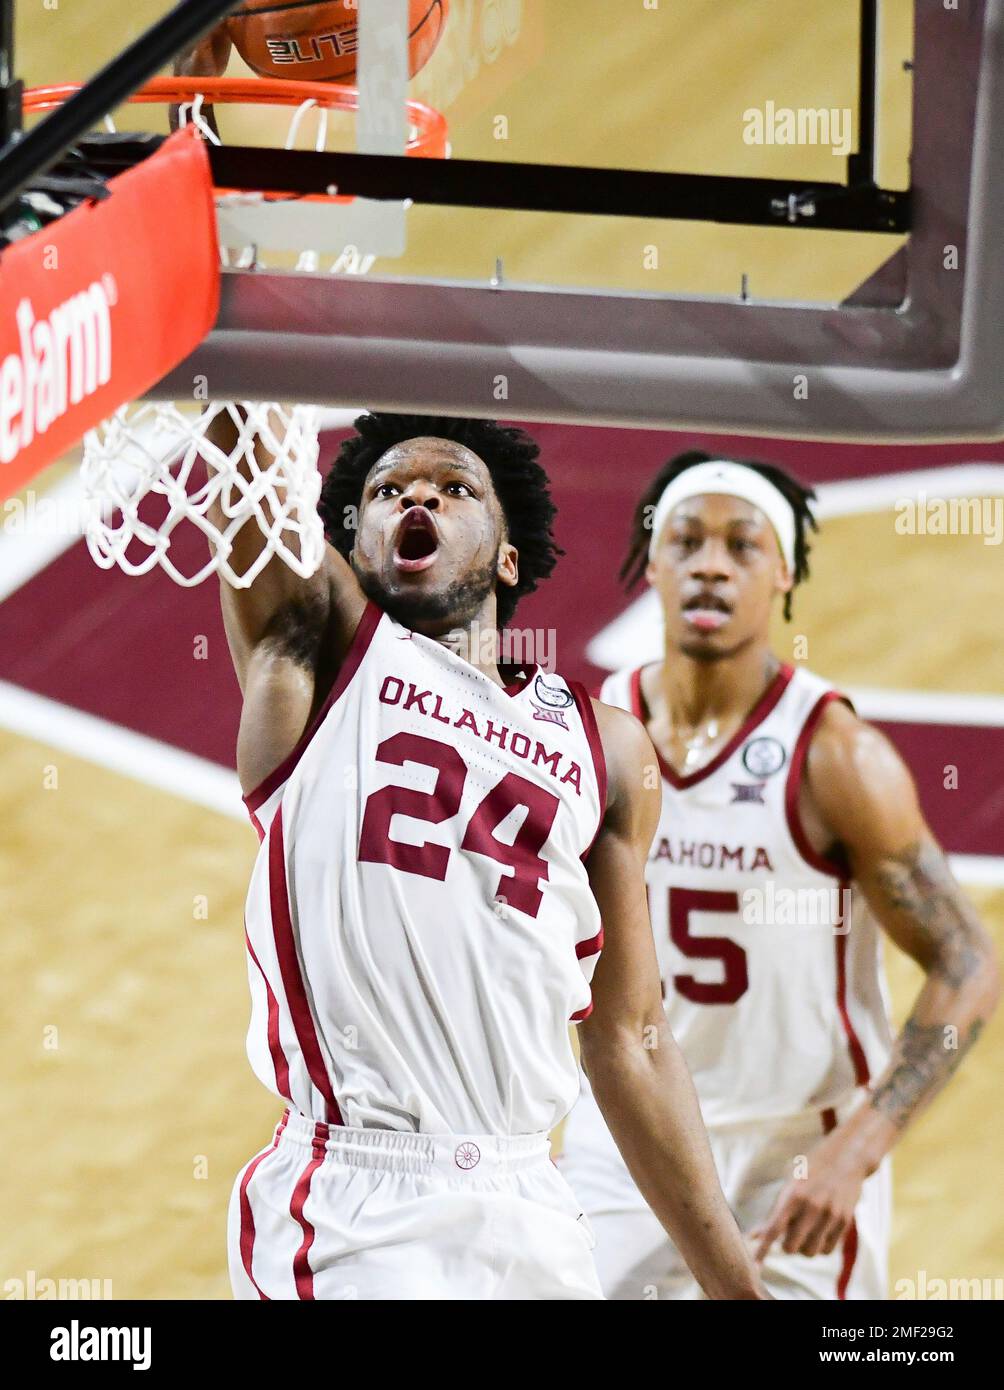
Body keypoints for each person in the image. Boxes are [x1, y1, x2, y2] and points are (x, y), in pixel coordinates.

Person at [206, 410, 769, 1300]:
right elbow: (244, 476)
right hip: (357, 1207)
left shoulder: (605, 747)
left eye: (454, 488)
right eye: (384, 492)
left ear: (508, 559)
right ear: (356, 548)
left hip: (532, 1209)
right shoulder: (316, 653)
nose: (415, 496)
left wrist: (739, 1290)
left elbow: (629, 1041)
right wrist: (229, 353)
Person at [559, 451, 1000, 1300]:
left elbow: (968, 962)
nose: (712, 564)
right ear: (651, 565)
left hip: (789, 1167)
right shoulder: (591, 735)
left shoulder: (836, 755)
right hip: (624, 1147)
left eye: (742, 545)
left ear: (785, 572)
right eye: (686, 542)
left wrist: (859, 1148)